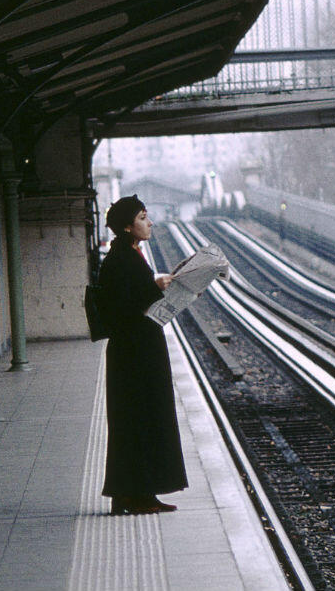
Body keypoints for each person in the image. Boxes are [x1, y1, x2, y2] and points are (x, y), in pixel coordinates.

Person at [97, 195, 188, 515]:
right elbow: (124, 304)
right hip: (133, 353)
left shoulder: (127, 253)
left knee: (143, 419)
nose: (149, 223)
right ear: (127, 226)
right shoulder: (121, 258)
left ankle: (139, 493)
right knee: (137, 419)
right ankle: (132, 495)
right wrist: (156, 286)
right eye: (142, 218)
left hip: (139, 348)